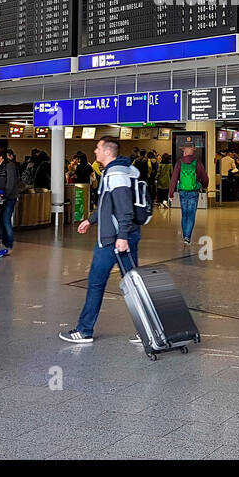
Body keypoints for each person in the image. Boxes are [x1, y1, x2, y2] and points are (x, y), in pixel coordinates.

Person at [61, 137, 142, 344]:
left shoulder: (115, 175)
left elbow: (125, 209)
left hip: (112, 239)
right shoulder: (124, 170)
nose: (95, 151)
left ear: (107, 152)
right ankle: (149, 330)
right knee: (133, 284)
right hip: (124, 235)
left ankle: (84, 330)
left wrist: (121, 236)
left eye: (98, 148)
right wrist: (90, 220)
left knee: (96, 283)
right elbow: (109, 205)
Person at [170, 144, 208, 245]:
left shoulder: (179, 163)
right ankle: (187, 237)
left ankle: (185, 236)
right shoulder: (197, 163)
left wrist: (171, 193)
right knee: (191, 215)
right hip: (194, 192)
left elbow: (174, 178)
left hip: (182, 191)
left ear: (185, 153)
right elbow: (205, 177)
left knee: (184, 214)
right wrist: (205, 186)